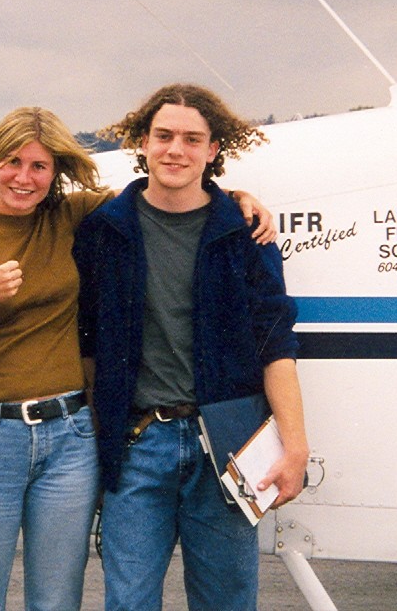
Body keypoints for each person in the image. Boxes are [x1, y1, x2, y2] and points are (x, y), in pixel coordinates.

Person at [0, 106, 276, 611]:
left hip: (69, 436)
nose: (23, 178)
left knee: (57, 601)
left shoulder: (73, 216)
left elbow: (168, 195)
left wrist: (240, 202)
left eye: (39, 167)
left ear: (56, 173)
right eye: (11, 163)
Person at [73, 84, 308, 611]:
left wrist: (296, 447)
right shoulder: (103, 231)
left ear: (213, 150)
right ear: (143, 142)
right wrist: (101, 432)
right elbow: (87, 343)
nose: (175, 149)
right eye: (163, 136)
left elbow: (276, 344)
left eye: (191, 139)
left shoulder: (244, 231)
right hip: (136, 447)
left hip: (224, 448)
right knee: (128, 602)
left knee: (227, 603)